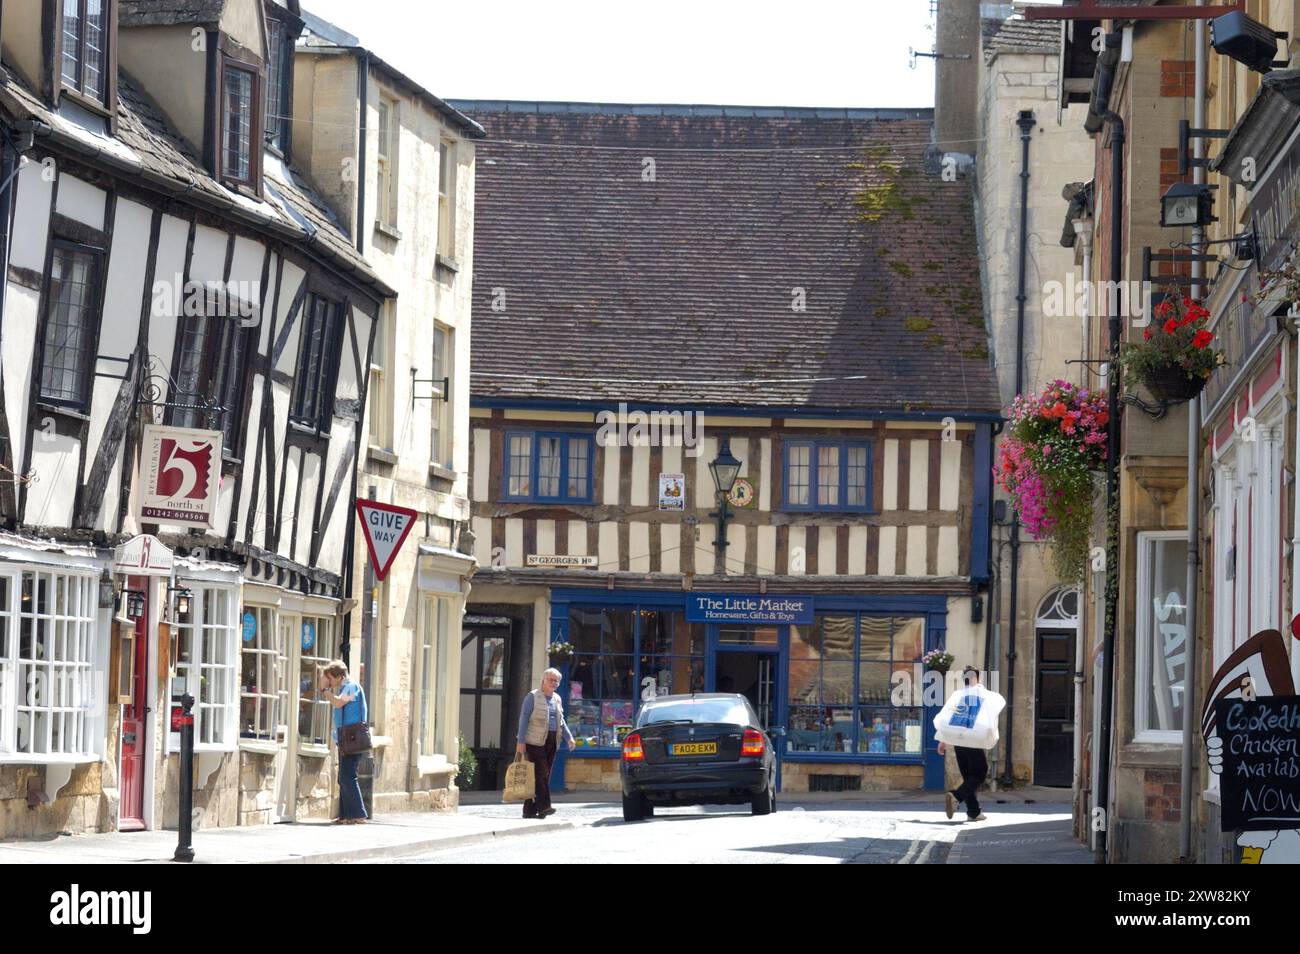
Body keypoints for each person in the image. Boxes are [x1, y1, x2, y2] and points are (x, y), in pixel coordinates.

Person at [515, 668, 576, 819]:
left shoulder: (557, 699)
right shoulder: (532, 697)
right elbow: (523, 719)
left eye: (556, 681)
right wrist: (520, 741)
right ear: (543, 680)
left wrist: (569, 738)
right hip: (534, 741)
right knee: (541, 773)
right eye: (551, 680)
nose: (554, 683)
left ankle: (529, 810)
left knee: (541, 775)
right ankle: (544, 807)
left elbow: (561, 721)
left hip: (552, 740)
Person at [320, 660, 368, 824]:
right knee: (344, 777)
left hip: (353, 740)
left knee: (348, 777)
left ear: (340, 676)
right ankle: (347, 815)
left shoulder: (352, 688)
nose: (330, 682)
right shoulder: (343, 689)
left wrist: (325, 691)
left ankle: (359, 814)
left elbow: (339, 702)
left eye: (331, 678)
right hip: (346, 740)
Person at [938, 666, 988, 823]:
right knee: (980, 772)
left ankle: (973, 811)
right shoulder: (978, 693)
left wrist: (943, 739)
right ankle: (956, 796)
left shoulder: (958, 695)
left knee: (969, 776)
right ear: (975, 678)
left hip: (958, 741)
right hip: (970, 739)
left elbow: (949, 718)